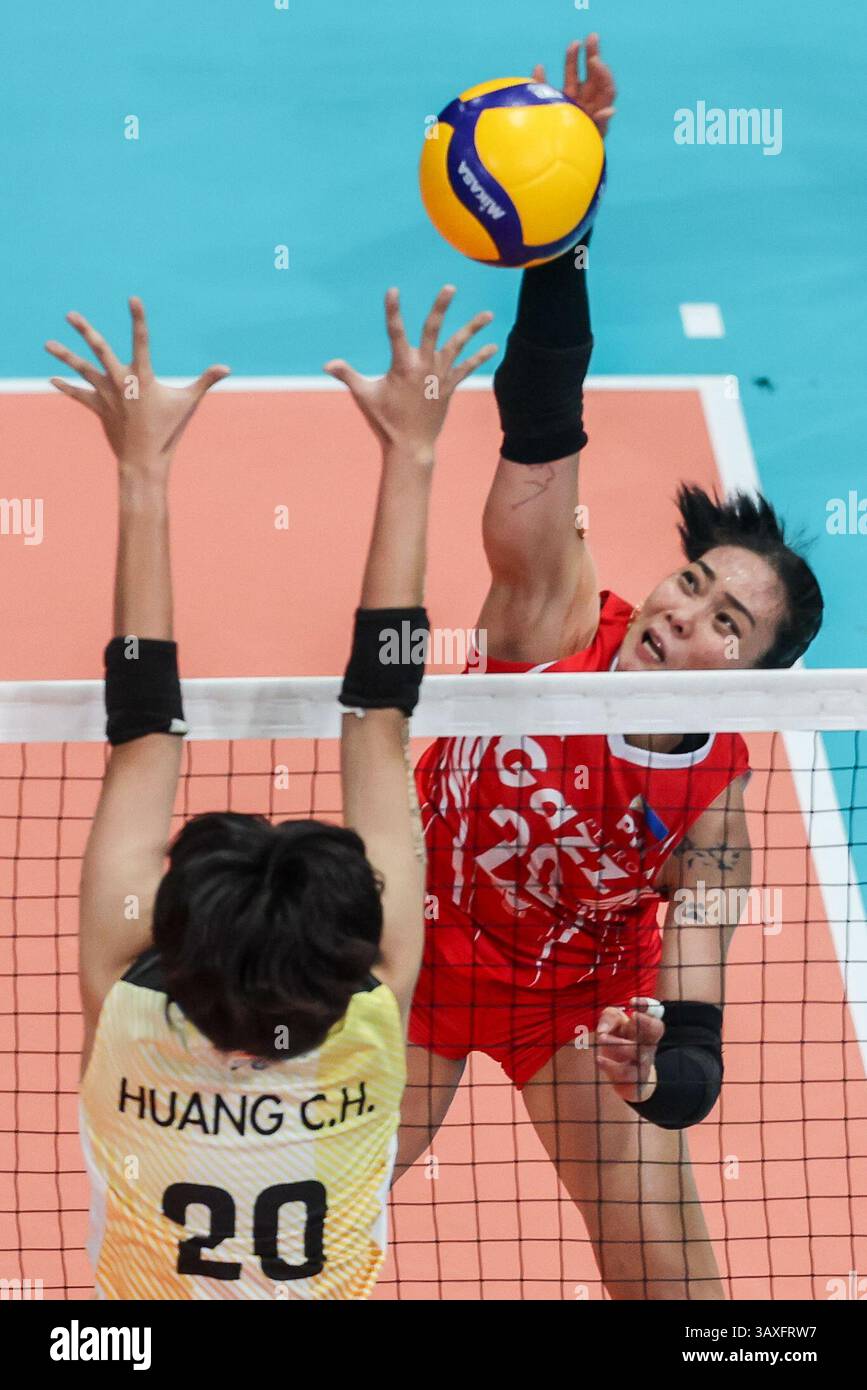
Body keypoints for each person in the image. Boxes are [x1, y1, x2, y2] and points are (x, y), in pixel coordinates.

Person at [334, 36, 824, 1301]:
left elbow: (701, 1038)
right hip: (413, 955)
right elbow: (546, 419)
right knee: (308, 1234)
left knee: (682, 1292)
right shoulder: (560, 621)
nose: (690, 612)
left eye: (732, 623)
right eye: (695, 581)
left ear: (757, 680)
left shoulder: (713, 808)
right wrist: (562, 234)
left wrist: (660, 1066)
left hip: (573, 1006)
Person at [46, 287, 494, 1298]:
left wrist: (142, 468)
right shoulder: (376, 1012)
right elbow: (377, 720)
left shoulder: (130, 1008)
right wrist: (416, 456)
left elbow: (141, 730)